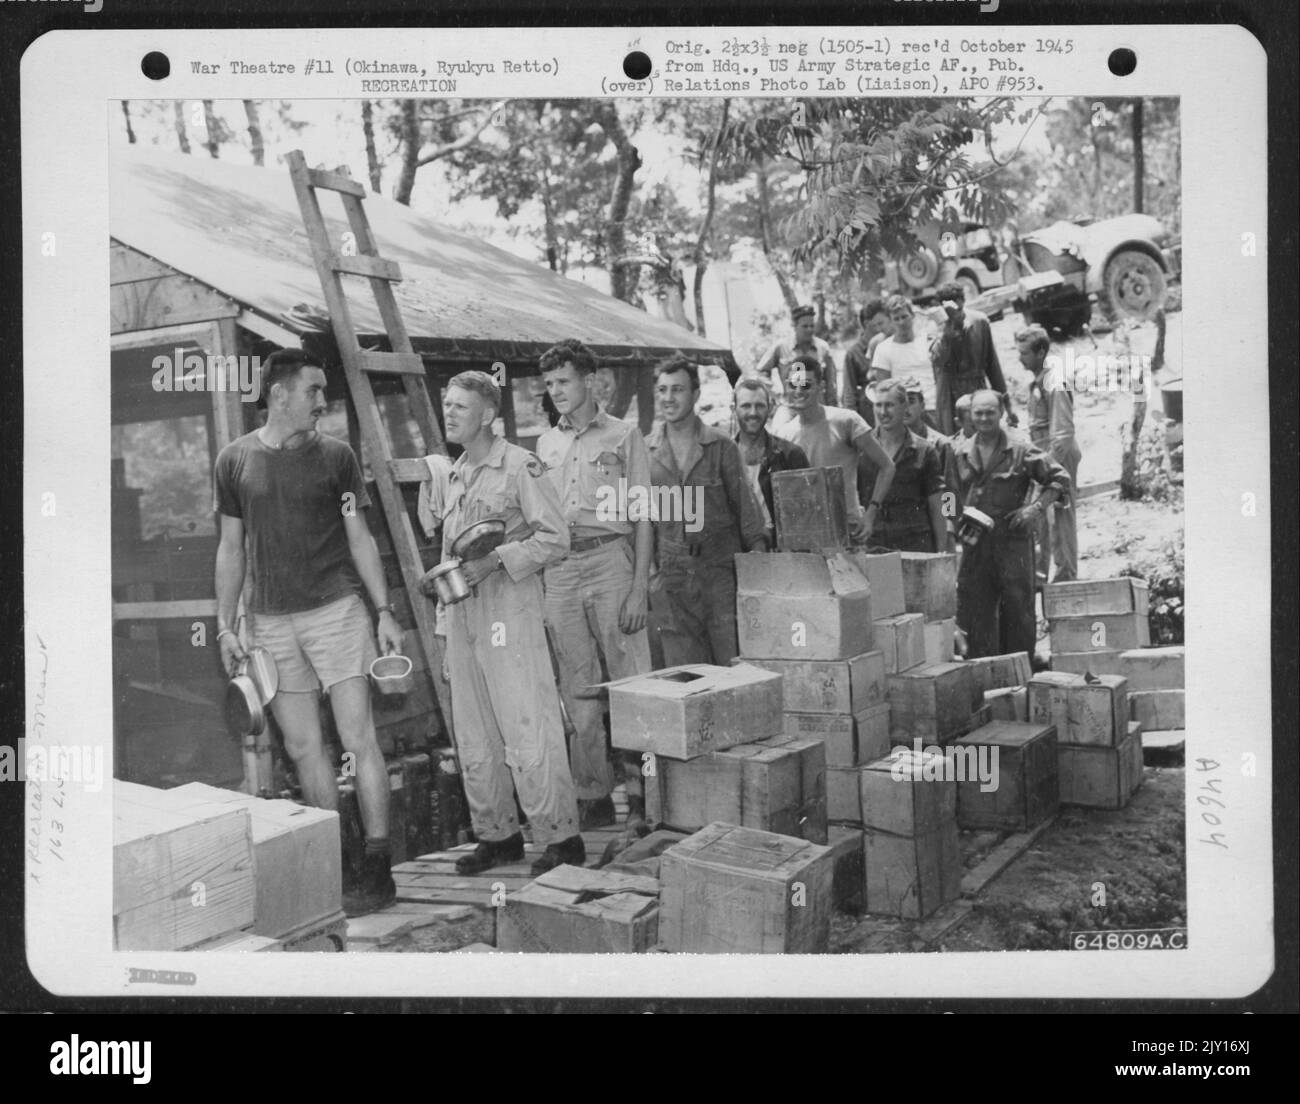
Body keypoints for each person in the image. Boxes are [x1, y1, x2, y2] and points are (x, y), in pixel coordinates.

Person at [214, 348, 401, 916]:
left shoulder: (337, 458)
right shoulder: (235, 461)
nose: (323, 402)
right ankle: (337, 861)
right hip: (270, 622)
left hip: (337, 612)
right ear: (279, 394)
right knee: (301, 747)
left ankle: (377, 864)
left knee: (357, 739)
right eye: (314, 391)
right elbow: (230, 548)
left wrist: (384, 610)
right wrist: (225, 625)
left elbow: (359, 536)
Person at [434, 370, 585, 877]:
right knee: (474, 730)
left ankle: (561, 836)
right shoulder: (455, 473)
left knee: (528, 722)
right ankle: (497, 835)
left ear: (488, 416)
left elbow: (556, 538)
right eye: (447, 404)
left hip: (510, 609)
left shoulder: (521, 466)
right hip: (462, 615)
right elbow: (447, 554)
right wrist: (441, 632)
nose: (450, 412)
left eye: (460, 406)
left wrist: (497, 559)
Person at [535, 338, 653, 829]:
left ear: (590, 381)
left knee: (632, 684)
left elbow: (645, 514)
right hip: (561, 569)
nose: (556, 391)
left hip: (610, 562)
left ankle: (645, 792)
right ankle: (593, 795)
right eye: (548, 384)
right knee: (578, 687)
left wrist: (638, 587)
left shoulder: (624, 436)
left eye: (563, 381)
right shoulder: (546, 443)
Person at [646, 356, 769, 667]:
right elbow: (641, 522)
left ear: (696, 395)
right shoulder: (646, 452)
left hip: (718, 573)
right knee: (686, 674)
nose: (668, 398)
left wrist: (756, 560)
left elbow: (746, 509)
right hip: (671, 576)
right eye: (662, 390)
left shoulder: (721, 446)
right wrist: (652, 577)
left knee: (734, 663)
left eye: (677, 390)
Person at [947, 390, 1071, 660]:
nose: (983, 418)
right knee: (973, 612)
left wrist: (1035, 509)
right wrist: (955, 518)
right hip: (974, 546)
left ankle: (1020, 680)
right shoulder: (959, 452)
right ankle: (983, 680)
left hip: (1012, 544)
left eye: (990, 412)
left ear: (1001, 413)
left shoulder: (1021, 450)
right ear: (970, 415)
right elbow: (947, 492)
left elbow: (1060, 479)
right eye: (978, 412)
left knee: (1018, 612)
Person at [769, 354, 897, 543]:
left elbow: (887, 466)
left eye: (806, 385)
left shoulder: (846, 421)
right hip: (806, 532)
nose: (798, 391)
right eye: (793, 385)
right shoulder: (784, 434)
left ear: (821, 387)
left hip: (847, 527)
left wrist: (870, 514)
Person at [1016, 324, 1081, 583]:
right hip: (1043, 455)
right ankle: (1043, 577)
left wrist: (1051, 467)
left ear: (1041, 351)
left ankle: (1066, 576)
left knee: (1060, 520)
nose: (1020, 358)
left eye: (1025, 353)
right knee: (1042, 522)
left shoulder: (1054, 380)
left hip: (1057, 456)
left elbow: (1062, 431)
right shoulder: (1039, 381)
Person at [857, 379, 950, 553]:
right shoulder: (863, 447)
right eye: (878, 405)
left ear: (904, 406)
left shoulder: (929, 448)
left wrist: (944, 547)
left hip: (914, 543)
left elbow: (942, 500)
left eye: (890, 405)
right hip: (874, 543)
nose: (883, 412)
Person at [732, 377, 811, 548]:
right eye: (746, 406)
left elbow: (806, 514)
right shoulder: (724, 457)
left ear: (770, 408)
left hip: (780, 553)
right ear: (734, 409)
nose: (753, 412)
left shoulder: (790, 455)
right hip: (736, 552)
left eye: (759, 406)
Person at [929, 281, 1016, 435]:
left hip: (976, 388)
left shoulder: (979, 321)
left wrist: (1007, 406)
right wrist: (948, 333)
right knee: (953, 442)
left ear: (963, 301)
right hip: (949, 394)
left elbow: (992, 366)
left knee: (983, 433)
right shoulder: (936, 328)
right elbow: (938, 360)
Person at [755, 303, 839, 408]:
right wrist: (778, 395)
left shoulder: (823, 348)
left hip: (817, 409)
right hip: (791, 407)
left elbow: (831, 382)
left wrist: (833, 406)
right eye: (805, 326)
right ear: (795, 326)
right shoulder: (782, 347)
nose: (809, 330)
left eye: (812, 326)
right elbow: (761, 372)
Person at [871, 295, 937, 415]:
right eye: (896, 319)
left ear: (912, 316)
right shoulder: (883, 349)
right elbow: (883, 390)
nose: (901, 322)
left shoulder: (928, 342)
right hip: (904, 412)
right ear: (891, 321)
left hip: (933, 407)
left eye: (904, 317)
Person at [842, 299, 893, 421]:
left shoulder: (891, 344)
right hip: (869, 415)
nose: (881, 328)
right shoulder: (853, 353)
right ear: (866, 323)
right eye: (877, 323)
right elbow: (849, 393)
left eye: (883, 322)